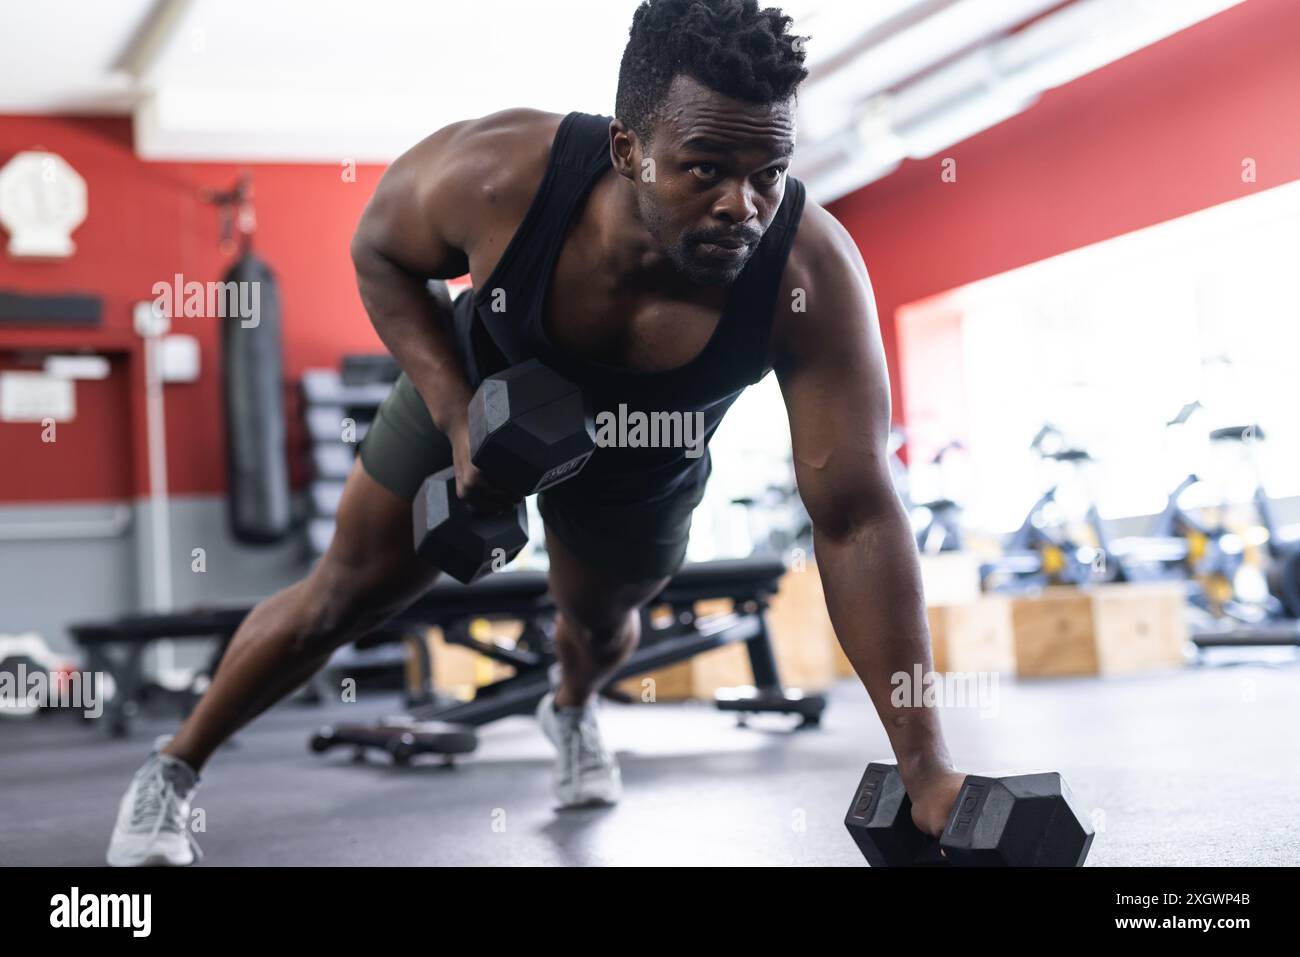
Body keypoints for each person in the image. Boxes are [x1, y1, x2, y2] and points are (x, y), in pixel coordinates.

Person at [107, 0, 966, 867]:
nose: (743, 205)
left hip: (650, 450)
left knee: (600, 625)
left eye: (768, 172)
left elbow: (856, 517)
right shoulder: (500, 175)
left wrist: (924, 763)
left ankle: (571, 704)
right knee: (343, 596)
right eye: (705, 169)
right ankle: (172, 767)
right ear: (629, 149)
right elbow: (380, 251)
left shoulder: (810, 272)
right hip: (480, 389)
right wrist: (452, 416)